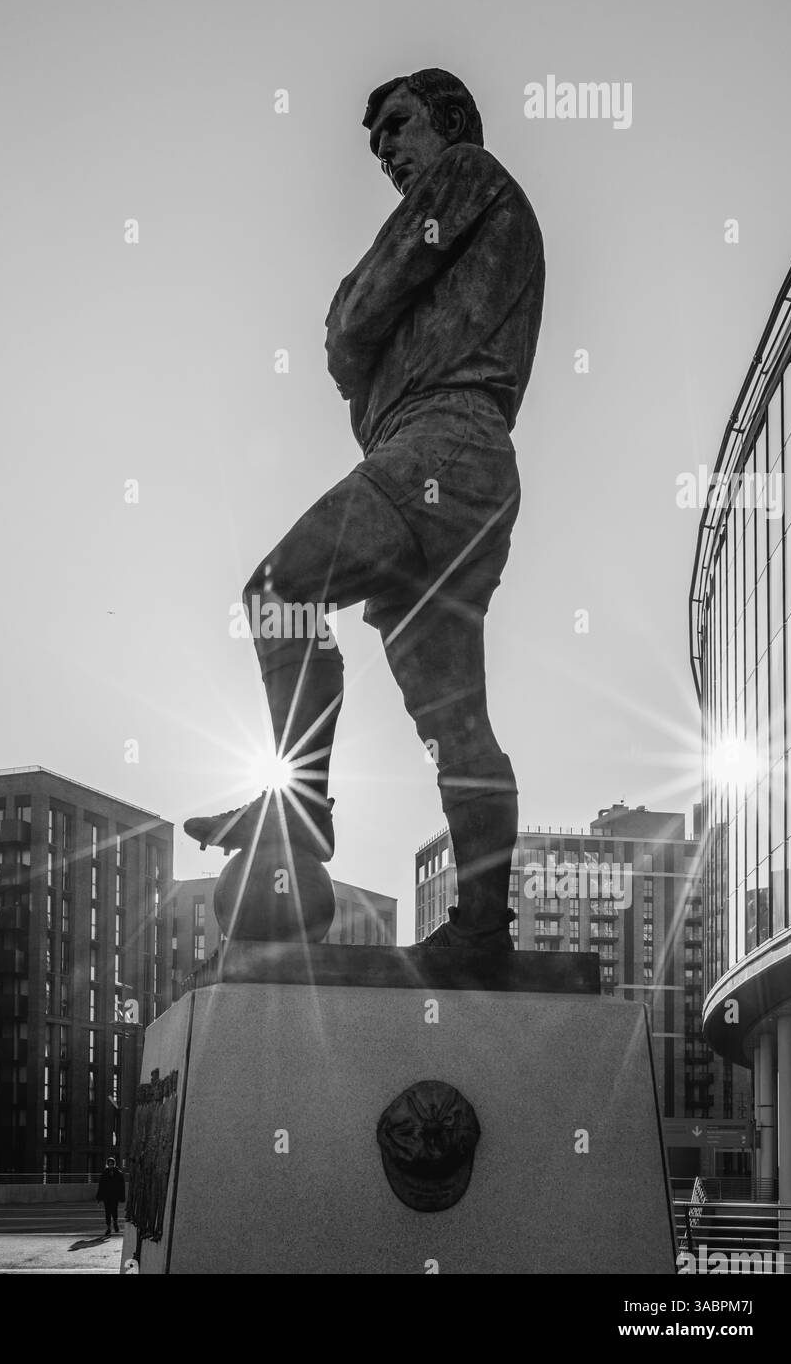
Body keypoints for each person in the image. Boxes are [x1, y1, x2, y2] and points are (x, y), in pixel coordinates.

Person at [184, 69, 544, 952]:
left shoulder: (463, 175)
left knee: (280, 590)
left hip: (439, 445)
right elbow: (359, 354)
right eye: (377, 139)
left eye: (395, 124)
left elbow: (353, 323)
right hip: (454, 464)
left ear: (449, 119)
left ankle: (301, 811)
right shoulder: (461, 196)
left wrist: (356, 328)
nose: (385, 148)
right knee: (454, 720)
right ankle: (482, 929)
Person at [96, 1156, 125, 1235]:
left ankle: (115, 1223)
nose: (110, 1165)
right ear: (107, 1164)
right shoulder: (104, 1173)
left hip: (115, 1196)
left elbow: (122, 1186)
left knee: (114, 1211)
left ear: (114, 1164)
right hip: (107, 1196)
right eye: (109, 1164)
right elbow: (101, 1186)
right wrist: (99, 1197)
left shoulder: (119, 1174)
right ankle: (108, 1227)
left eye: (112, 1164)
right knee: (107, 1212)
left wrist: (122, 1197)